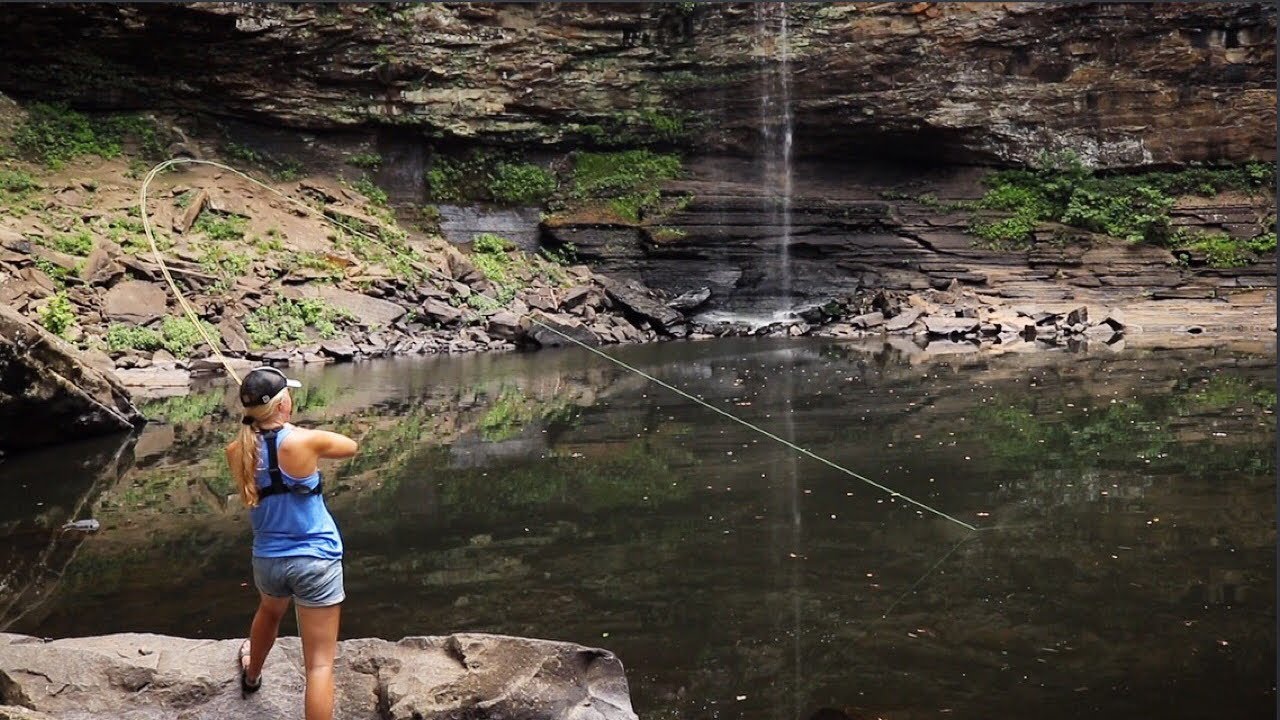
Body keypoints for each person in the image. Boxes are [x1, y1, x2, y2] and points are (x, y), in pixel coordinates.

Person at [225, 367, 358, 720]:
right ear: (284, 404)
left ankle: (252, 675)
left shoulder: (236, 450)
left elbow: (264, 452)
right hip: (316, 558)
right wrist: (292, 430)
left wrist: (276, 427)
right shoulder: (304, 441)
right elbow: (351, 446)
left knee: (269, 611)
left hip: (268, 560)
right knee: (319, 665)